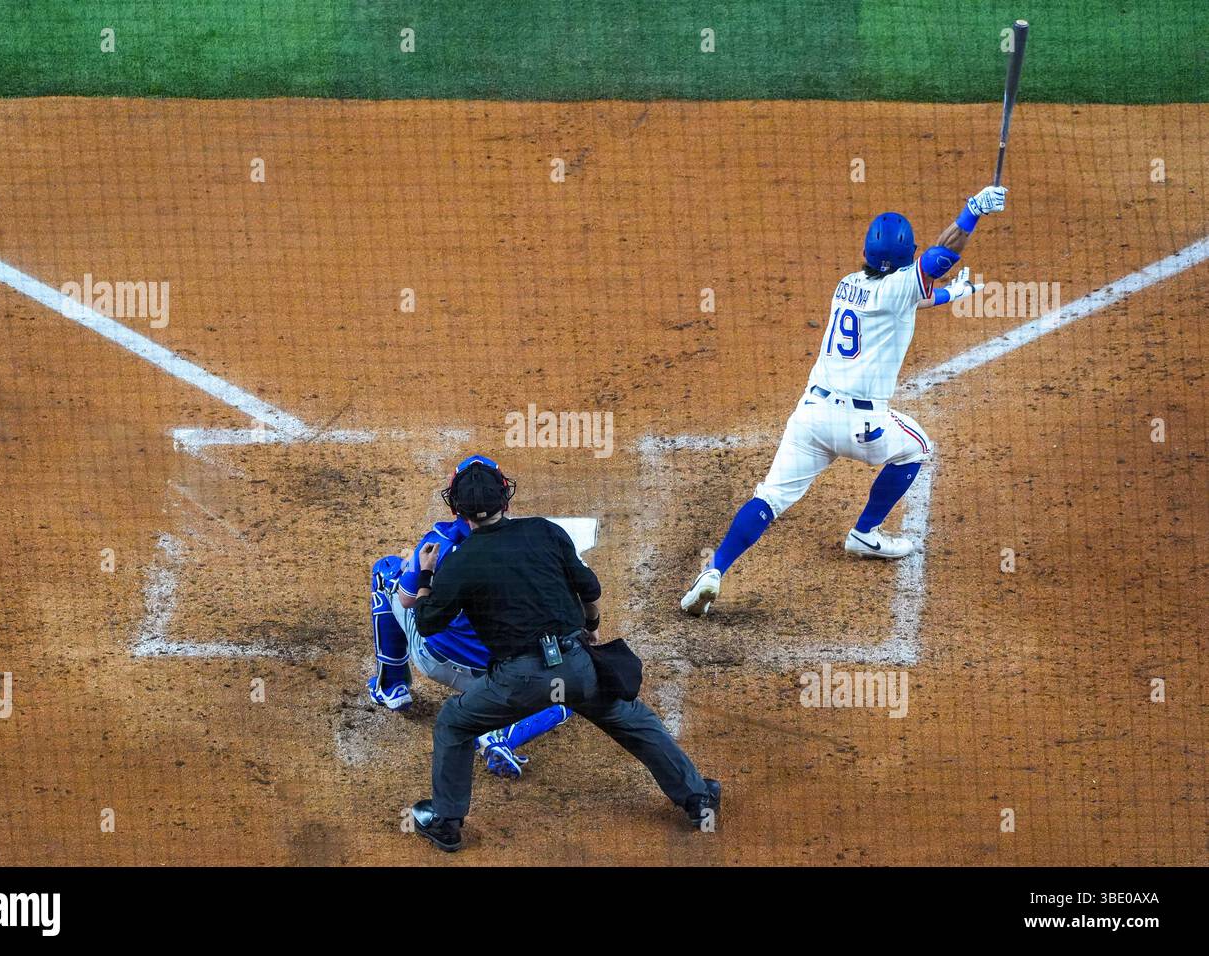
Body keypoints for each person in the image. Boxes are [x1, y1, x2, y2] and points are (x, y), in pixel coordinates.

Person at [681, 185, 1006, 616]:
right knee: (918, 448)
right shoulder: (901, 286)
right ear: (908, 255)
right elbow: (941, 258)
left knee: (769, 498)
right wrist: (972, 211)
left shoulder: (848, 285)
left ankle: (715, 570)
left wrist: (953, 294)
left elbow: (912, 296)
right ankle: (865, 533)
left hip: (811, 418)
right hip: (863, 429)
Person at [407, 454, 719, 852]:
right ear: (506, 499)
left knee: (454, 720)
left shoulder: (461, 561)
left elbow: (429, 624)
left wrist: (428, 574)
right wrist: (589, 631)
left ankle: (447, 822)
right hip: (576, 666)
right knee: (630, 716)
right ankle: (697, 798)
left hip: (517, 682)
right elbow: (590, 593)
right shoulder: (544, 532)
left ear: (457, 510)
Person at [368, 517, 571, 777]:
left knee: (385, 570)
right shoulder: (524, 545)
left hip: (434, 659)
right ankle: (503, 735)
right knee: (568, 686)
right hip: (498, 677)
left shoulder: (440, 540)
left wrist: (419, 570)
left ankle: (391, 687)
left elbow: (407, 600)